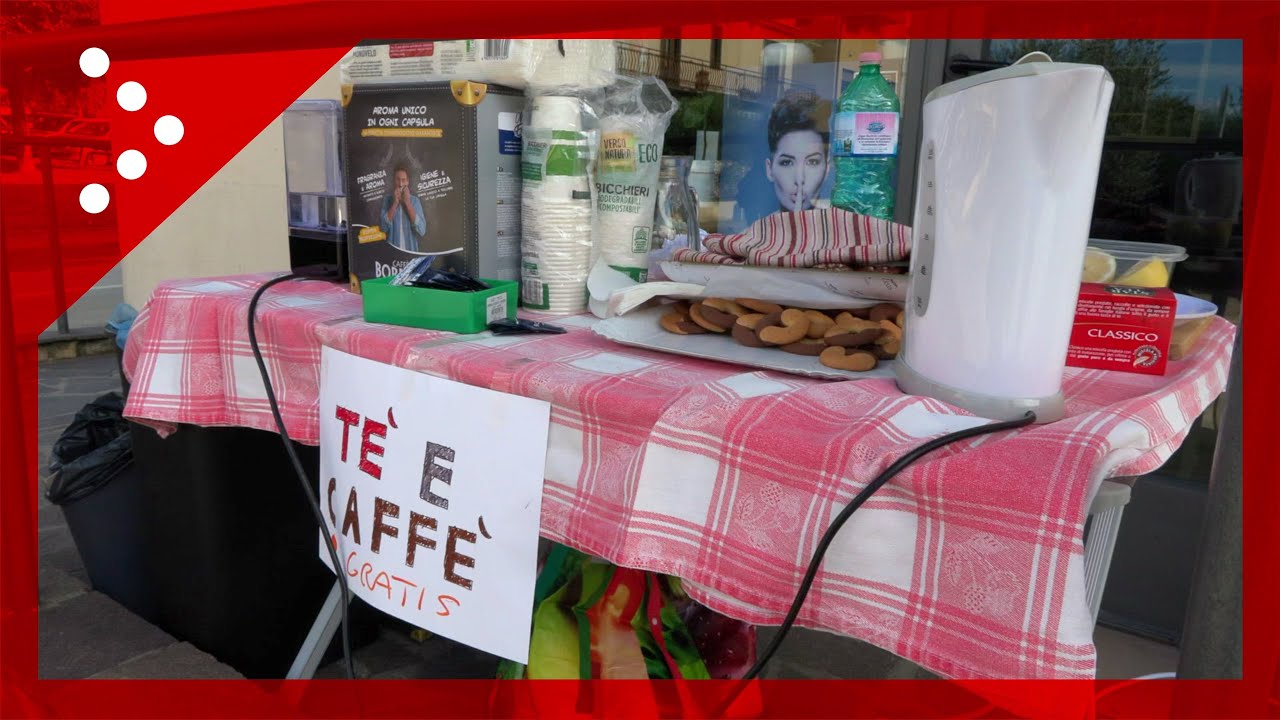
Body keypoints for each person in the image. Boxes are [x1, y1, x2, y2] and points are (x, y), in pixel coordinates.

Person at [764, 89, 829, 213]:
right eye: (786, 162)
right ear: (769, 169)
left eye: (813, 162)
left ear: (827, 169)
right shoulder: (755, 232)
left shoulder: (842, 229)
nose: (799, 179)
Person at [379, 165, 427, 251]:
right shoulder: (387, 199)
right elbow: (383, 228)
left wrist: (408, 204)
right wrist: (395, 203)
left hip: (411, 254)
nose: (400, 184)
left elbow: (422, 230)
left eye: (403, 180)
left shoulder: (415, 201)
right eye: (398, 179)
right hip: (392, 254)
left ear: (407, 181)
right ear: (394, 181)